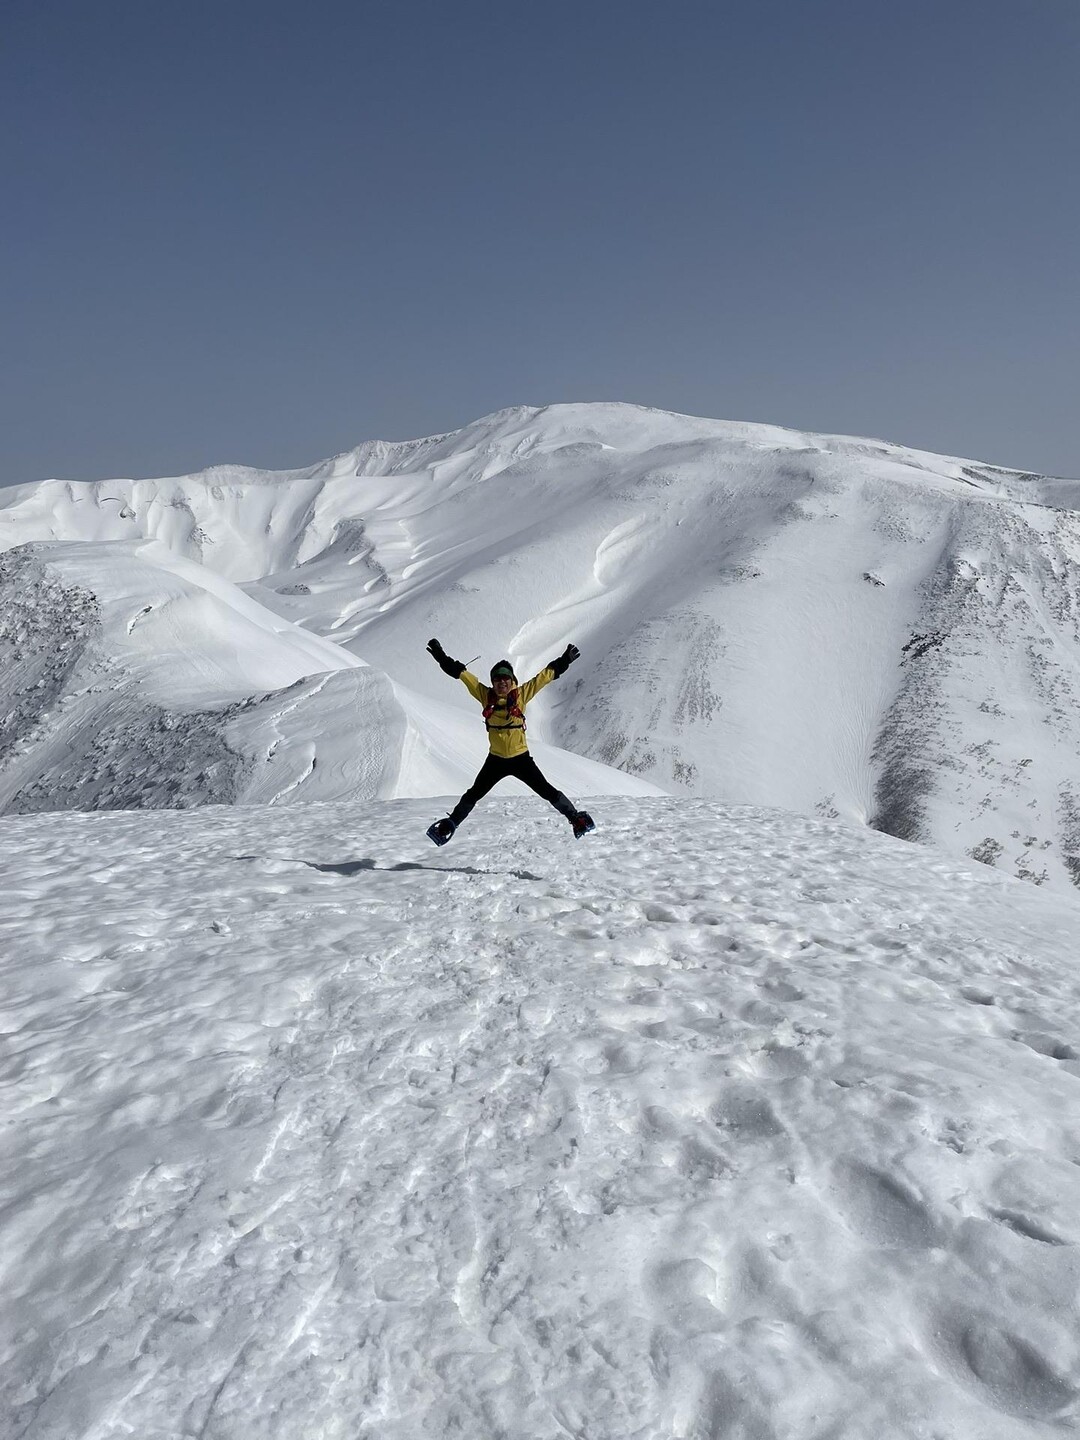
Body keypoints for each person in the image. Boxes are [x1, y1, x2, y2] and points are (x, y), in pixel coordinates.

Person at [424, 638, 595, 845]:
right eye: (497, 679)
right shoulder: (485, 695)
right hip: (495, 761)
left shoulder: (521, 694)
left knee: (547, 791)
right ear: (493, 682)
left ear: (512, 680)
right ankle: (450, 824)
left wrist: (564, 660)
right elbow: (461, 674)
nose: (501, 682)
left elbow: (545, 676)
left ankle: (575, 818)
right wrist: (441, 657)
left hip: (521, 760)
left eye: (505, 678)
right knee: (473, 794)